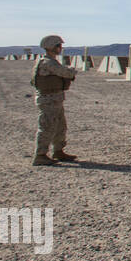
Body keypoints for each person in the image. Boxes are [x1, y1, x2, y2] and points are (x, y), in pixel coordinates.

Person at [31, 35, 78, 166]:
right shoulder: (48, 63)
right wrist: (72, 70)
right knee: (47, 127)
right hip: (48, 100)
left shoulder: (50, 61)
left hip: (54, 99)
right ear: (51, 47)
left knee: (60, 127)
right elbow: (67, 73)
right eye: (58, 46)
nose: (60, 48)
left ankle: (58, 151)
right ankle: (40, 155)